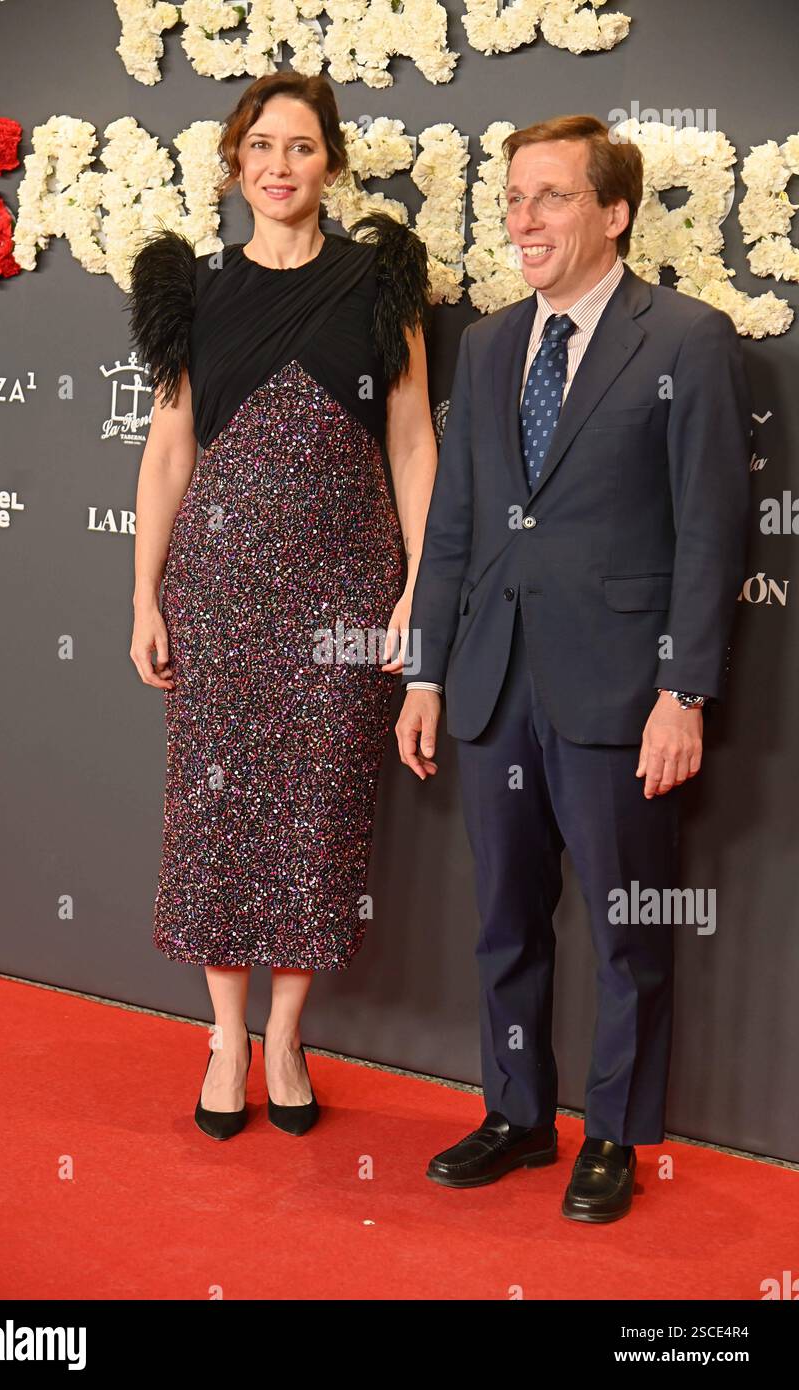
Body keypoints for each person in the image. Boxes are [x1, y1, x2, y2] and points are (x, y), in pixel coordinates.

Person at [396, 114, 752, 1221]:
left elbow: (711, 530)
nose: (524, 218)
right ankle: (516, 1115)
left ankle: (614, 1133)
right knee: (505, 921)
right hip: (494, 681)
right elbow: (454, 523)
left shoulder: (686, 338)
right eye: (513, 197)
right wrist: (425, 673)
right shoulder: (491, 344)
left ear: (614, 212)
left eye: (550, 195)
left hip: (620, 689)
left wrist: (682, 692)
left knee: (623, 927)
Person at [128, 72, 435, 1141]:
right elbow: (169, 452)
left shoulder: (381, 283)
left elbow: (412, 442)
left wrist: (417, 583)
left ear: (331, 164)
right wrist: (143, 594)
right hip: (217, 588)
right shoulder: (195, 288)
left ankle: (288, 1036)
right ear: (235, 161)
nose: (279, 165)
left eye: (301, 146)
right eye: (261, 145)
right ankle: (225, 1038)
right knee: (215, 812)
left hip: (345, 589)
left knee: (321, 808)